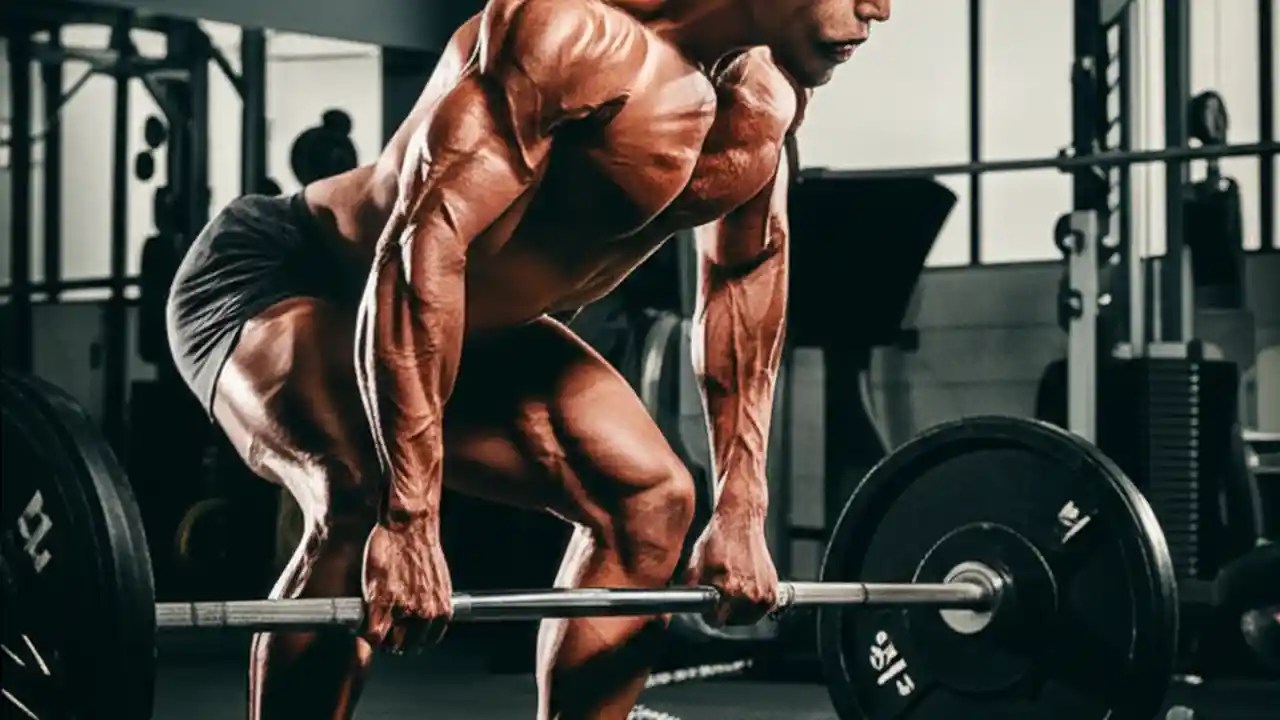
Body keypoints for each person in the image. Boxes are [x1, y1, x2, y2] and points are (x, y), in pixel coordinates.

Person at [165, 0, 891, 717]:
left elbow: (744, 283)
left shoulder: (767, 103)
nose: (879, 10)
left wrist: (742, 506)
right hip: (289, 275)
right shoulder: (566, 33)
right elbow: (425, 250)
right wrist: (412, 520)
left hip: (467, 323)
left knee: (651, 501)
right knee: (359, 488)